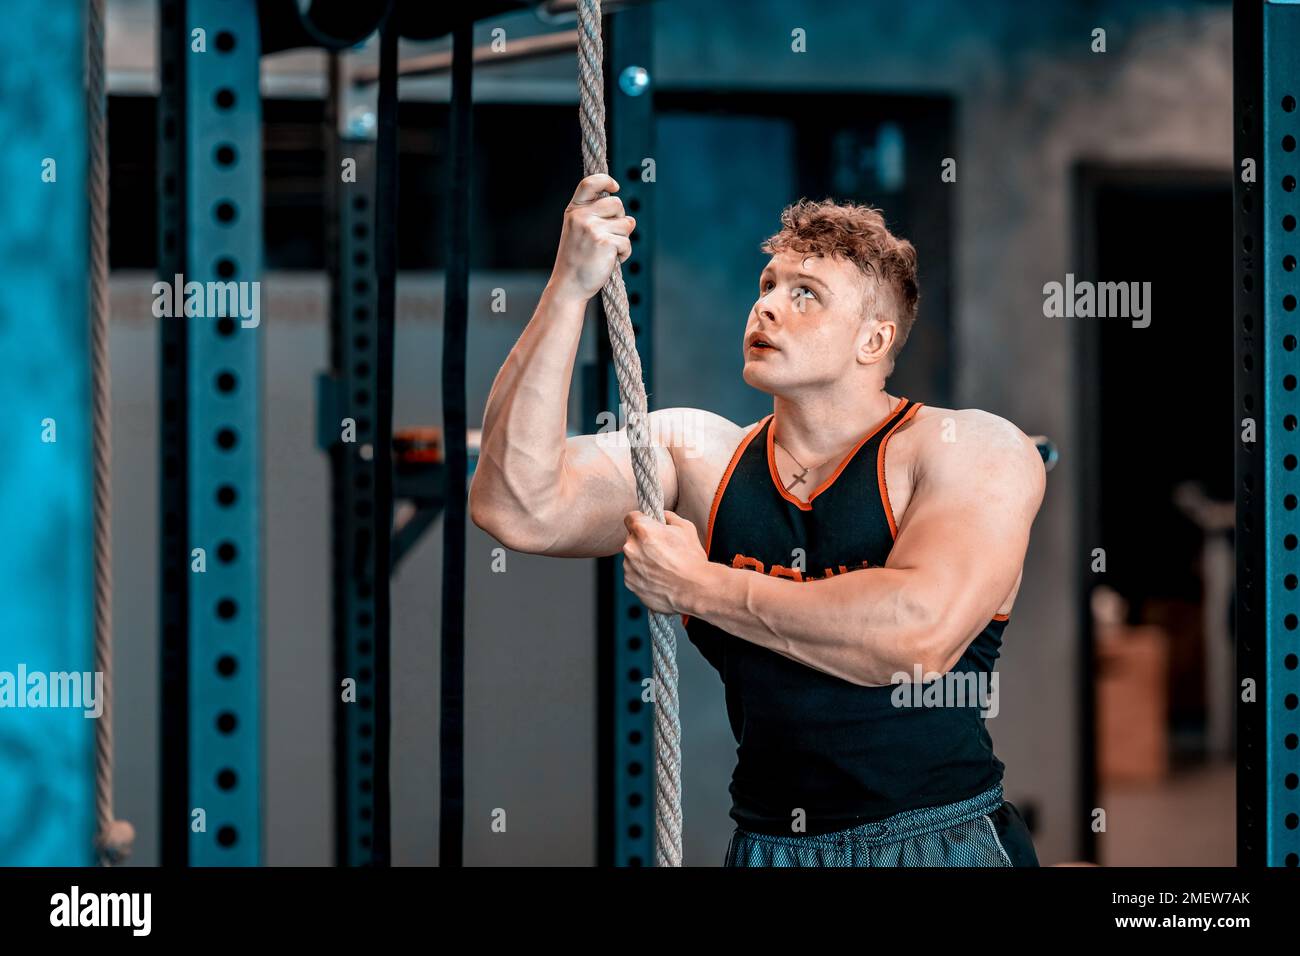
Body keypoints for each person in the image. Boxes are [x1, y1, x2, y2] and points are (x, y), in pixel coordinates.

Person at [469, 174, 1046, 867]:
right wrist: (568, 290)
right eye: (768, 285)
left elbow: (914, 636)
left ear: (873, 340)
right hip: (770, 846)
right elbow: (515, 506)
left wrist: (699, 587)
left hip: (937, 841)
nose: (769, 307)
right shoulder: (701, 455)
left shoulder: (971, 448)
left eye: (806, 295)